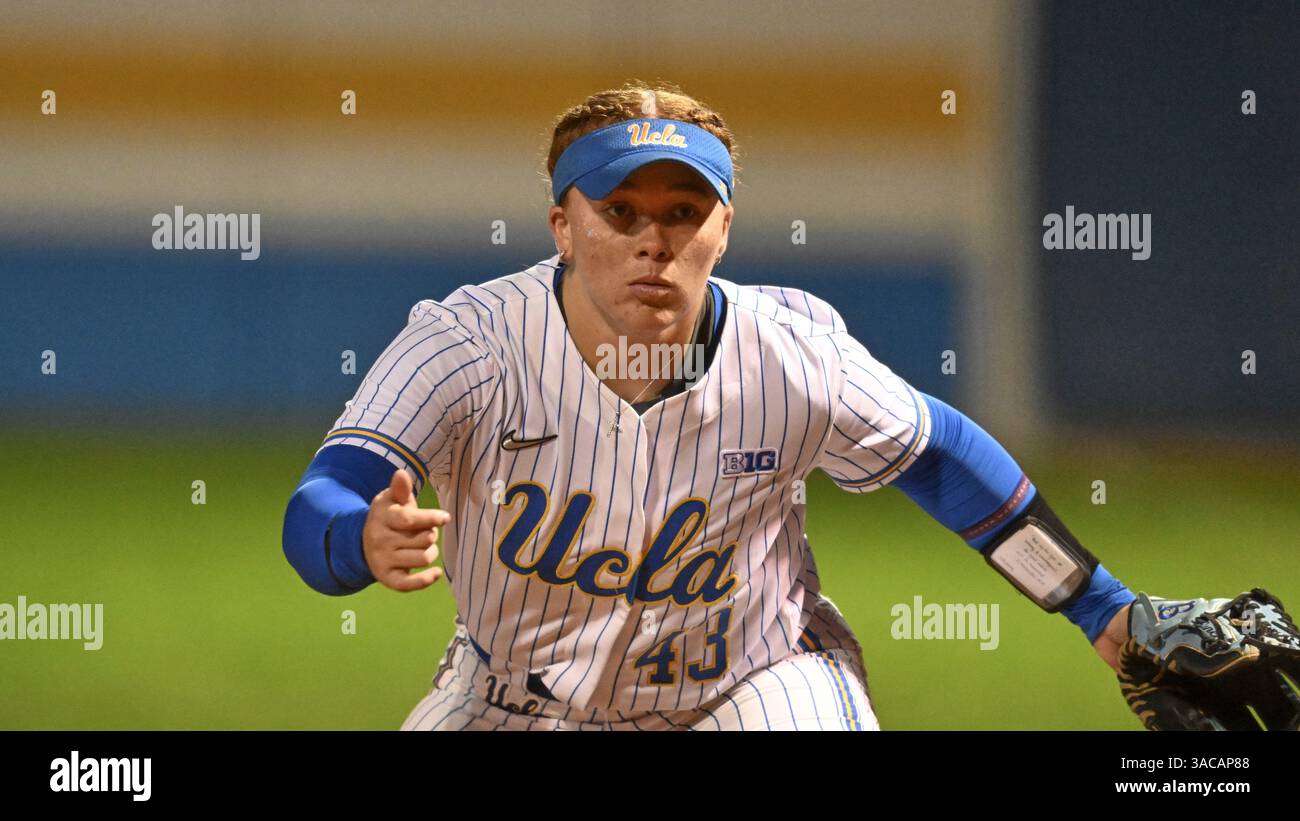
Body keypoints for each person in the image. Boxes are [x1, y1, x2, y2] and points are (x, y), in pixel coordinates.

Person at [281, 81, 1139, 731]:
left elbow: (941, 455)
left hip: (753, 686)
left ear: (723, 229)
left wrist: (1100, 606)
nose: (654, 239)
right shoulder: (470, 344)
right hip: (511, 696)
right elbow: (323, 498)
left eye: (684, 211)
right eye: (620, 211)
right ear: (562, 226)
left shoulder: (791, 355)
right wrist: (355, 537)